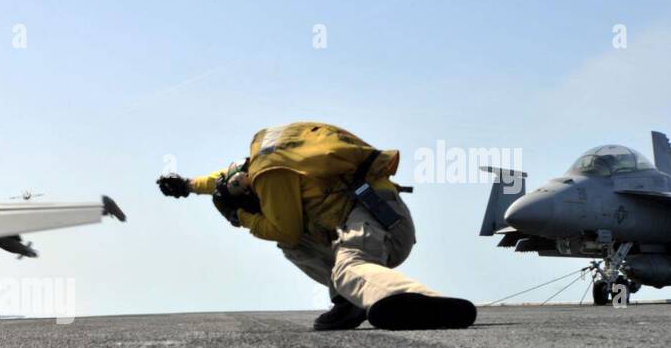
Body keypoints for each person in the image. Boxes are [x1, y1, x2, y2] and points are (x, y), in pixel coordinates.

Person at [158, 122, 476, 331]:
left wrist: (241, 218)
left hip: (375, 216)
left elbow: (286, 228)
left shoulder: (269, 176)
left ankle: (414, 299)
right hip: (368, 211)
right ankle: (351, 303)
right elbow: (218, 180)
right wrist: (187, 184)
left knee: (345, 263)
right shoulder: (257, 160)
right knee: (296, 249)